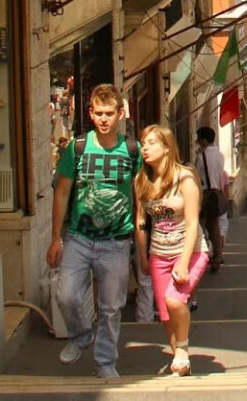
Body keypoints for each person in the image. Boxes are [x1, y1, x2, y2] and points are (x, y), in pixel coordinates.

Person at [48, 84, 140, 379]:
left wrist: (143, 239)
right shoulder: (76, 148)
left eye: (109, 113)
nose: (103, 119)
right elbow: (61, 193)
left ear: (120, 114)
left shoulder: (131, 150)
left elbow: (142, 194)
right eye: (98, 113)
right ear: (89, 113)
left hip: (116, 241)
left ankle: (105, 363)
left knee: (111, 308)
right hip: (79, 237)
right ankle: (80, 336)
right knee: (66, 295)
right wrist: (55, 238)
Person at [133, 124, 208, 377]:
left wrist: (184, 262)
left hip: (190, 250)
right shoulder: (142, 180)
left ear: (166, 147)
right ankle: (180, 358)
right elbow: (141, 221)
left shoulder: (185, 177)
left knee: (174, 300)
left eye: (152, 142)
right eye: (143, 143)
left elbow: (192, 221)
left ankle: (183, 349)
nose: (145, 148)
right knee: (165, 314)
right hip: (158, 253)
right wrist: (143, 255)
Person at [194, 126, 229, 273]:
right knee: (214, 225)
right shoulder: (220, 155)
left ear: (204, 139)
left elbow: (196, 175)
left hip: (204, 193)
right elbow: (221, 174)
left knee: (200, 225)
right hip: (216, 192)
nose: (198, 142)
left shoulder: (201, 156)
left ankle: (202, 254)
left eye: (199, 139)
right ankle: (218, 255)